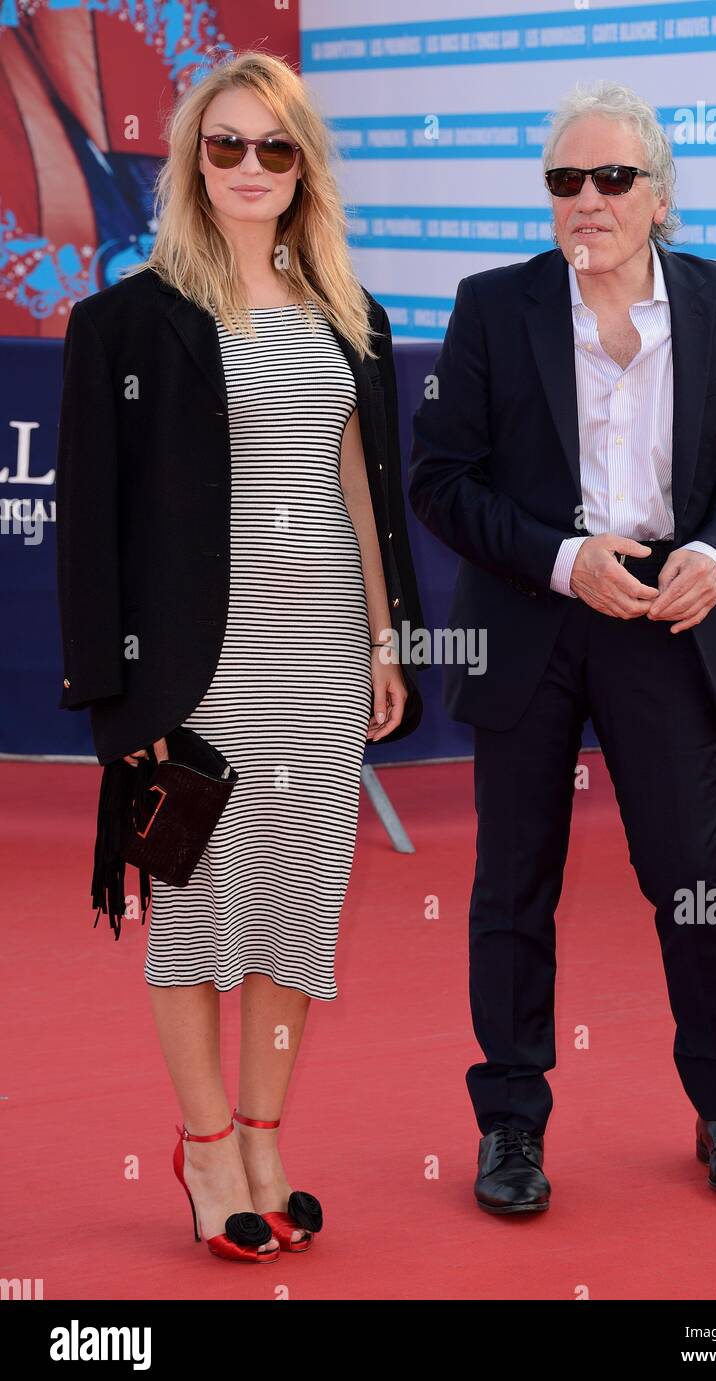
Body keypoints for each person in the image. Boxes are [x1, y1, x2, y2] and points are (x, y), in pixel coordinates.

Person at [55, 51, 425, 1263]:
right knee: (197, 913)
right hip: (194, 666)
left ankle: (264, 1136)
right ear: (190, 161)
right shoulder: (126, 318)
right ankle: (205, 1148)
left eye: (276, 147)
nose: (251, 168)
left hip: (318, 651)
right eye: (226, 146)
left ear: (303, 165)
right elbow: (91, 527)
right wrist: (122, 696)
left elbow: (362, 486)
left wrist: (383, 634)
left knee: (291, 915)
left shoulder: (350, 315)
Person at [409, 78, 716, 1215]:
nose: (585, 201)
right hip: (529, 620)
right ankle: (509, 1126)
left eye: (610, 179)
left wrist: (709, 558)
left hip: (663, 622)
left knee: (694, 884)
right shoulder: (491, 306)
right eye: (564, 182)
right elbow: (439, 480)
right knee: (511, 886)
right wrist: (567, 560)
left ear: (658, 197)